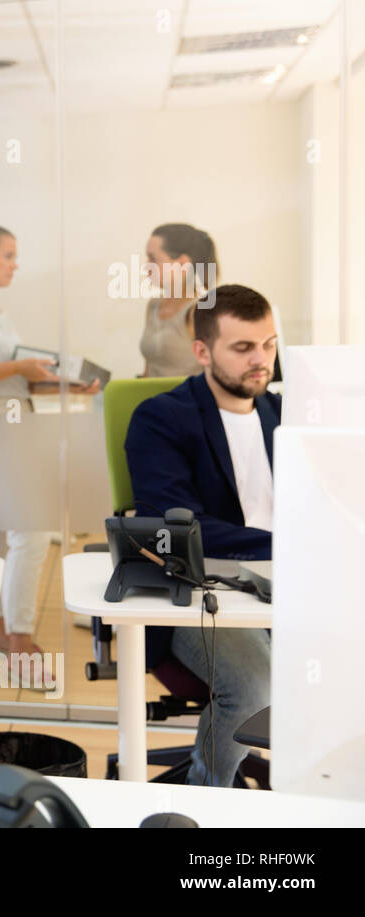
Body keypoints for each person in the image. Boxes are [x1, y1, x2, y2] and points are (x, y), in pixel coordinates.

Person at [125, 284, 276, 787]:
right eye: (243, 348)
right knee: (257, 686)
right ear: (202, 351)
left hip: (291, 583)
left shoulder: (288, 416)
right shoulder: (161, 419)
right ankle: (206, 800)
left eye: (269, 345)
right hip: (203, 591)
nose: (261, 361)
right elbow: (177, 525)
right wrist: (286, 545)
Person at [0, 224, 97, 662]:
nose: (15, 264)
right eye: (7, 255)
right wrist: (21, 365)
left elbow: (12, 385)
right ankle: (19, 636)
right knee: (32, 530)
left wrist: (62, 385)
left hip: (14, 429)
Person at [139, 223, 218, 378]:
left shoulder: (201, 310)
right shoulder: (154, 305)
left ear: (182, 264)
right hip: (154, 401)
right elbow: (149, 372)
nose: (146, 267)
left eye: (153, 259)